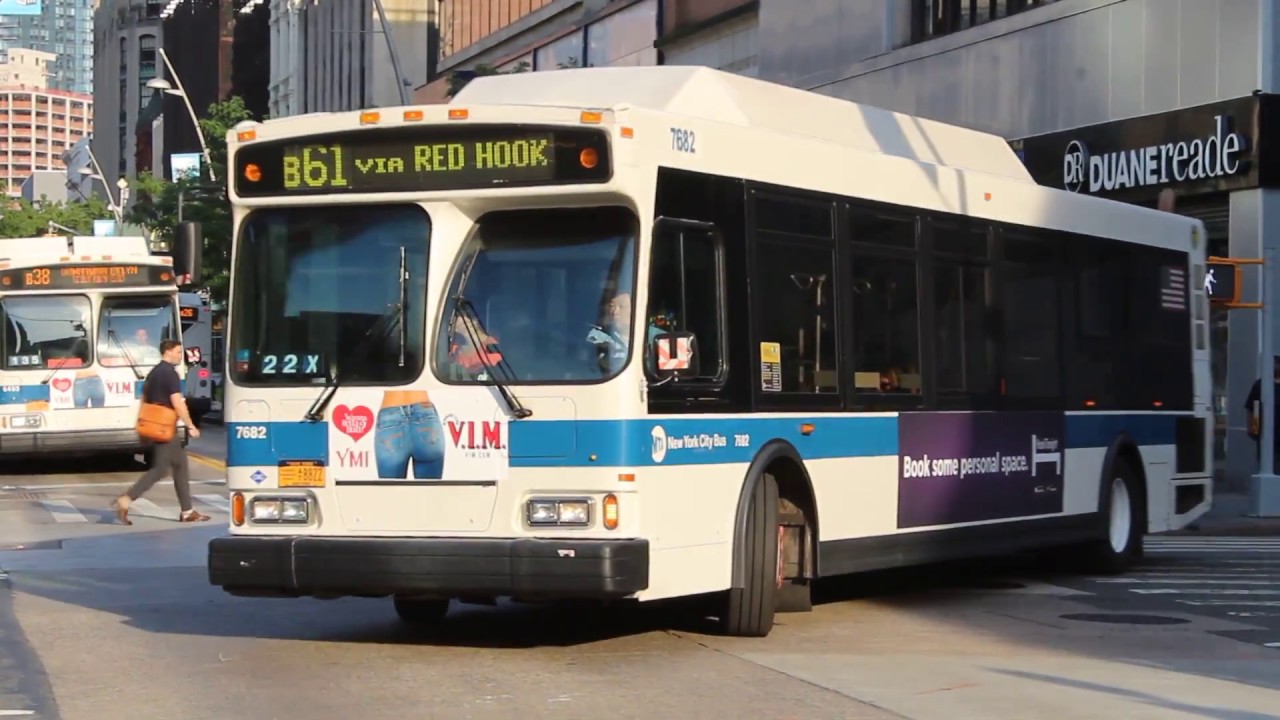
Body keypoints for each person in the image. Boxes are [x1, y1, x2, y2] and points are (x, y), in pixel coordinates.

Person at [113, 339, 207, 524]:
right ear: (168, 351)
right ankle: (126, 499)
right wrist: (190, 425)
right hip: (165, 427)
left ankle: (187, 511)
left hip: (156, 424)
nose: (180, 356)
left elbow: (145, 399)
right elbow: (177, 403)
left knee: (180, 465)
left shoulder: (154, 373)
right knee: (160, 469)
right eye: (178, 352)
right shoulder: (170, 374)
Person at [1245, 356, 1280, 464]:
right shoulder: (1261, 384)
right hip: (1266, 438)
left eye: (1277, 363)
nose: (1275, 366)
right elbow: (1254, 407)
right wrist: (1254, 430)